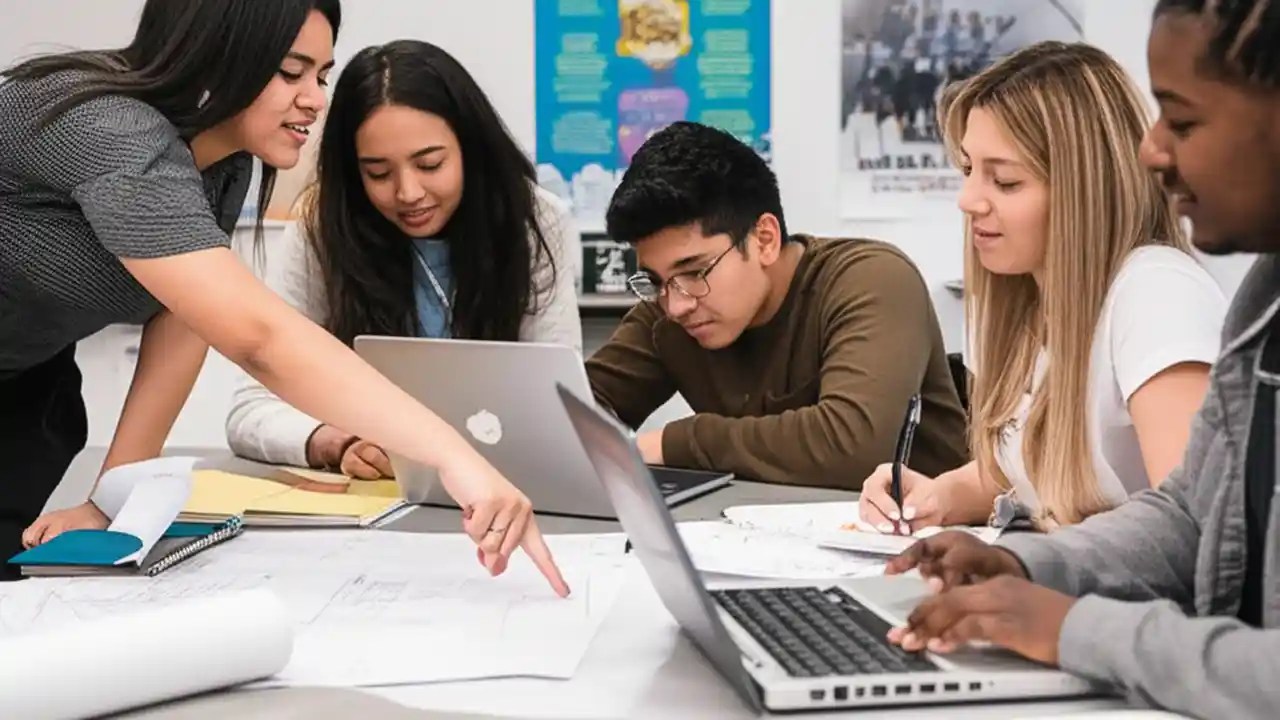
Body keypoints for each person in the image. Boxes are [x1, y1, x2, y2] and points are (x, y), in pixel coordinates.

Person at [0, 0, 566, 595]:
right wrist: (457, 458)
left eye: (321, 75)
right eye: (291, 73)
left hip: (27, 383)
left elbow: (188, 315)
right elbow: (259, 337)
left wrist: (112, 499)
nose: (317, 99)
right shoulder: (110, 131)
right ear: (214, 58)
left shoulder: (223, 163)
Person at [883, 3, 1280, 716]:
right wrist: (1029, 564)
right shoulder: (1264, 300)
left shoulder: (1155, 290)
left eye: (1183, 123)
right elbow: (1193, 514)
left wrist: (1074, 626)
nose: (1152, 151)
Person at [858, 41, 1226, 534]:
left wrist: (1032, 572)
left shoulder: (1158, 294)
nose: (968, 201)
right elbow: (1022, 470)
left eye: (1004, 181)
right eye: (969, 170)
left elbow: (1192, 527)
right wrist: (938, 496)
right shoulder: (1023, 301)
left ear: (1084, 191)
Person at [225, 40, 581, 478]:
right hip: (370, 506)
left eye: (430, 165)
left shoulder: (536, 223)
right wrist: (334, 442)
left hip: (501, 493)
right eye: (378, 173)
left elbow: (562, 409)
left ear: (472, 147)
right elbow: (250, 410)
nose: (408, 193)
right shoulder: (322, 230)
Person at [585, 121, 969, 490]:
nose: (676, 305)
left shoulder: (873, 279)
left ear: (764, 240)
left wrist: (675, 442)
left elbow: (854, 445)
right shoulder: (670, 306)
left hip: (921, 541)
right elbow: (576, 410)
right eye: (656, 280)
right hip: (759, 537)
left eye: (696, 271)